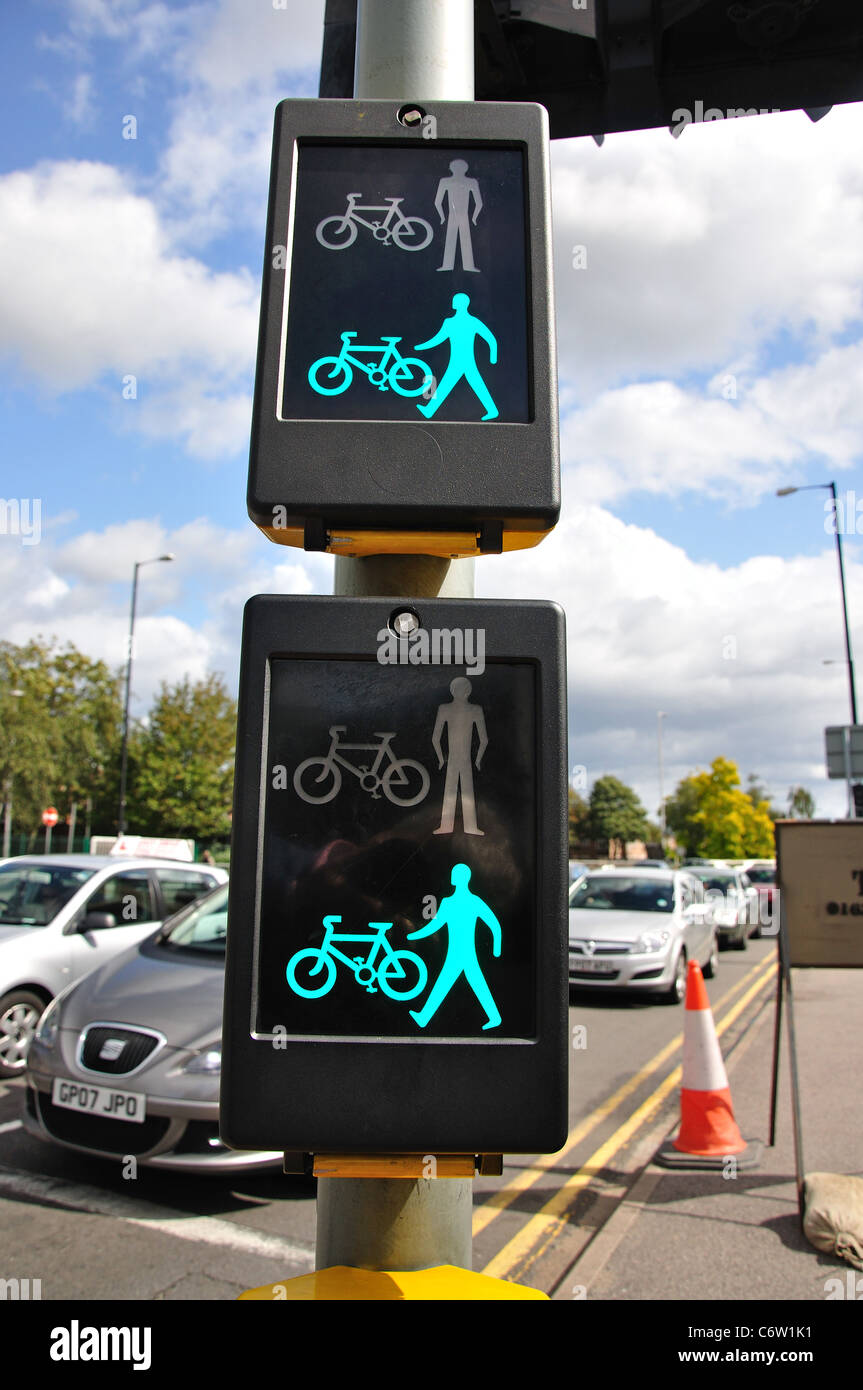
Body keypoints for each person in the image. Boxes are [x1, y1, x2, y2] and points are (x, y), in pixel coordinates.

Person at [408, 863, 501, 1030]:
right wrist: (415, 934)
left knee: (450, 983)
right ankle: (494, 1017)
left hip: (460, 953)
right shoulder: (459, 902)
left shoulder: (457, 902)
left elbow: (493, 924)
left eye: (455, 874)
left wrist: (414, 935)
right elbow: (494, 925)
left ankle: (424, 1017)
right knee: (466, 983)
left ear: (458, 878)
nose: (453, 877)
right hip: (459, 953)